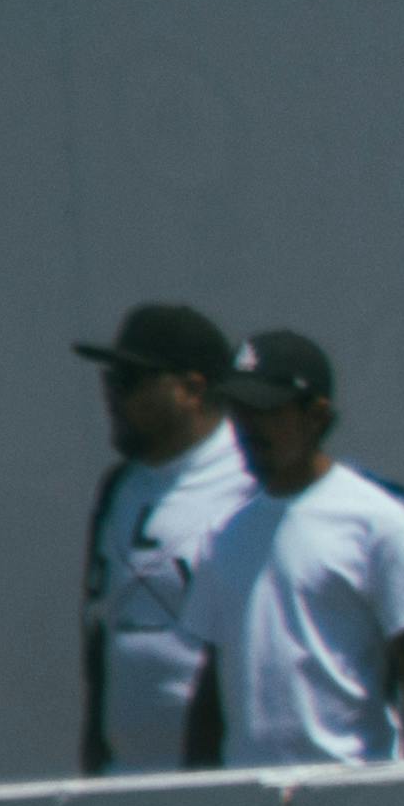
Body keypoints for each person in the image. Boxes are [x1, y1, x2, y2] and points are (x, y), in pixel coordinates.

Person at [178, 328, 404, 769]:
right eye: (240, 410)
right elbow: (212, 680)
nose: (248, 426)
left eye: (266, 410)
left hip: (349, 789)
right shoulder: (225, 533)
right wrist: (197, 793)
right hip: (247, 795)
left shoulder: (375, 518)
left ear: (316, 415)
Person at [72, 297, 252, 779]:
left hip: (218, 783)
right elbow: (102, 632)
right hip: (126, 780)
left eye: (129, 381)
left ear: (192, 389)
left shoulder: (249, 484)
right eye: (109, 381)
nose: (112, 396)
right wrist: (95, 763)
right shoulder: (116, 490)